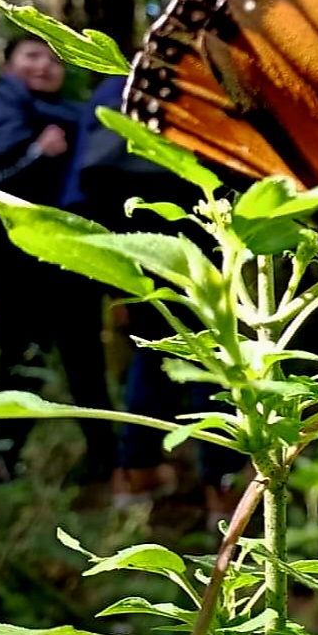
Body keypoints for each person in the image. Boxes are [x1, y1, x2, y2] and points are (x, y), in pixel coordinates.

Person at [67, 76, 247, 523]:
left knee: (154, 352)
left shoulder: (115, 90)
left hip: (136, 243)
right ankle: (220, 491)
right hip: (195, 236)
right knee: (210, 356)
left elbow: (83, 179)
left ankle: (138, 474)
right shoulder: (209, 81)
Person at [0, 37, 115, 480]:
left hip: (74, 263)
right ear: (7, 65)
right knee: (22, 362)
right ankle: (7, 459)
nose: (46, 66)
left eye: (54, 58)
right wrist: (36, 155)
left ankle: (105, 459)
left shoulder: (76, 116)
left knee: (85, 365)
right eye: (33, 56)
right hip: (16, 268)